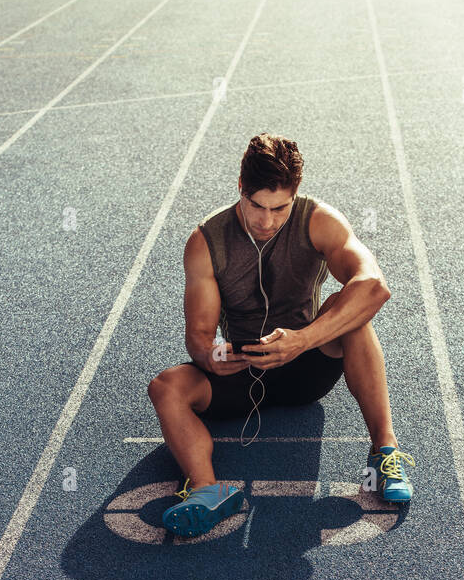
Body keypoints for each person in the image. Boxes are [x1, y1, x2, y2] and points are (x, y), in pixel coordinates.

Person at [146, 133, 415, 538]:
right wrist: (213, 357)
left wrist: (301, 341)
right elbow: (199, 338)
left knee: (354, 311)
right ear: (241, 188)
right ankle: (206, 490)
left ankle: (383, 453)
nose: (266, 221)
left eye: (279, 208)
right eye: (257, 206)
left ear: (296, 195)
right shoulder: (206, 242)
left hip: (307, 363)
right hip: (241, 370)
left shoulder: (319, 220)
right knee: (165, 388)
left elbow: (375, 286)